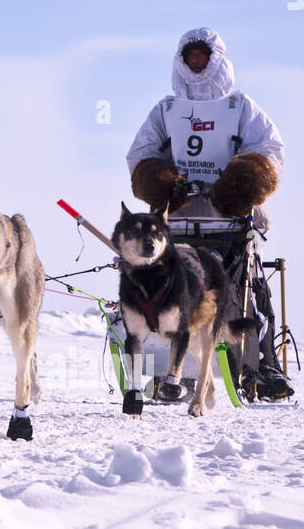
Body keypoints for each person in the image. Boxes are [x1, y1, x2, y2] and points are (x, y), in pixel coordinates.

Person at [125, 28, 293, 400]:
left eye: (202, 56)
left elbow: (269, 149)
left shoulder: (241, 108)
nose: (196, 62)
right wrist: (163, 183)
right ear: (181, 61)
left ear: (215, 59)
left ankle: (260, 366)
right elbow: (141, 154)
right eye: (190, 57)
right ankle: (172, 368)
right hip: (178, 222)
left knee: (245, 288)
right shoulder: (166, 111)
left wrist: (242, 183)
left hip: (230, 221)